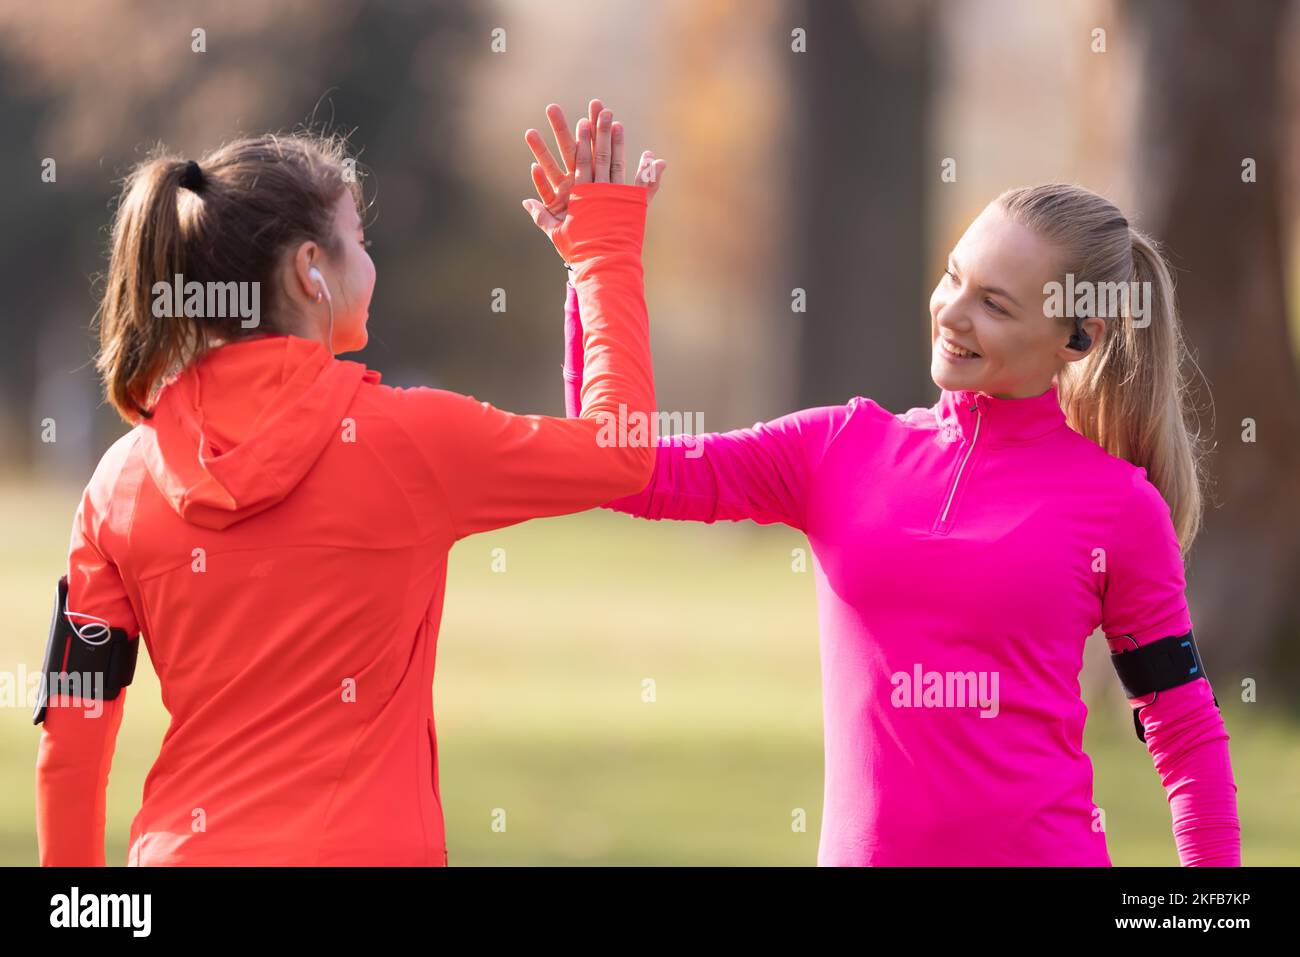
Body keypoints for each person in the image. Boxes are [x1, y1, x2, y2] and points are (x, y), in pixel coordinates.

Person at [35, 101, 664, 866]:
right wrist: (601, 252)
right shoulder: (410, 439)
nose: (371, 262)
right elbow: (620, 452)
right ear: (310, 270)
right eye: (359, 241)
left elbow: (74, 727)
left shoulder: (117, 483)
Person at [546, 174, 1241, 866]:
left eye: (994, 304)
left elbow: (1182, 730)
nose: (952, 312)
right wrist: (596, 265)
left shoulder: (1119, 506)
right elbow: (622, 471)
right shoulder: (839, 449)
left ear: (1076, 338)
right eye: (953, 277)